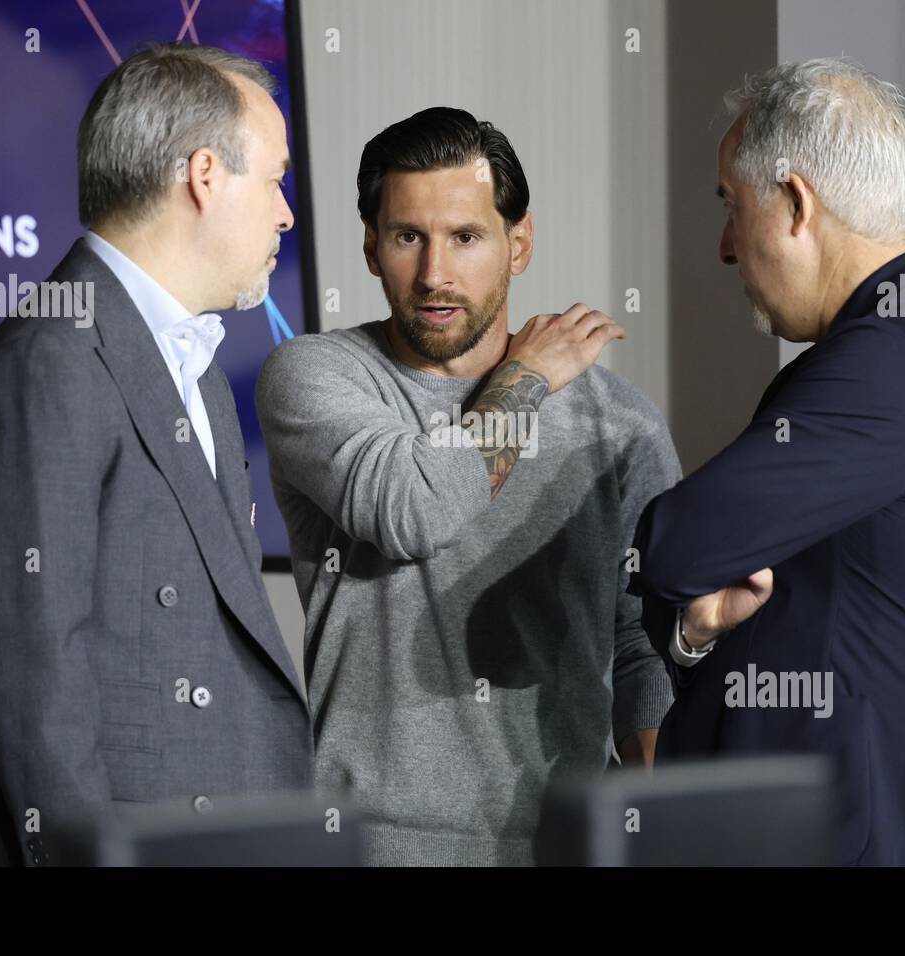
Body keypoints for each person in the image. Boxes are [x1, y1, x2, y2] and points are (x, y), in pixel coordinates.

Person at [0, 43, 311, 866]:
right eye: (275, 180)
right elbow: (35, 691)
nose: (286, 214)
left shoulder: (190, 365)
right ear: (205, 176)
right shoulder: (48, 364)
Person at [257, 107, 679, 865]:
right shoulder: (316, 377)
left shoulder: (619, 423)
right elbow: (416, 508)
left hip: (570, 842)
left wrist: (657, 828)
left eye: (465, 237)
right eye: (406, 237)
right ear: (369, 247)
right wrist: (527, 378)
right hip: (373, 845)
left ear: (519, 245)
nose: (434, 275)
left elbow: (639, 643)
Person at [630, 58, 905, 866]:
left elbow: (674, 544)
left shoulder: (890, 360)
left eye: (734, 208)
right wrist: (698, 635)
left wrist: (682, 591)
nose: (727, 247)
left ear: (798, 204)